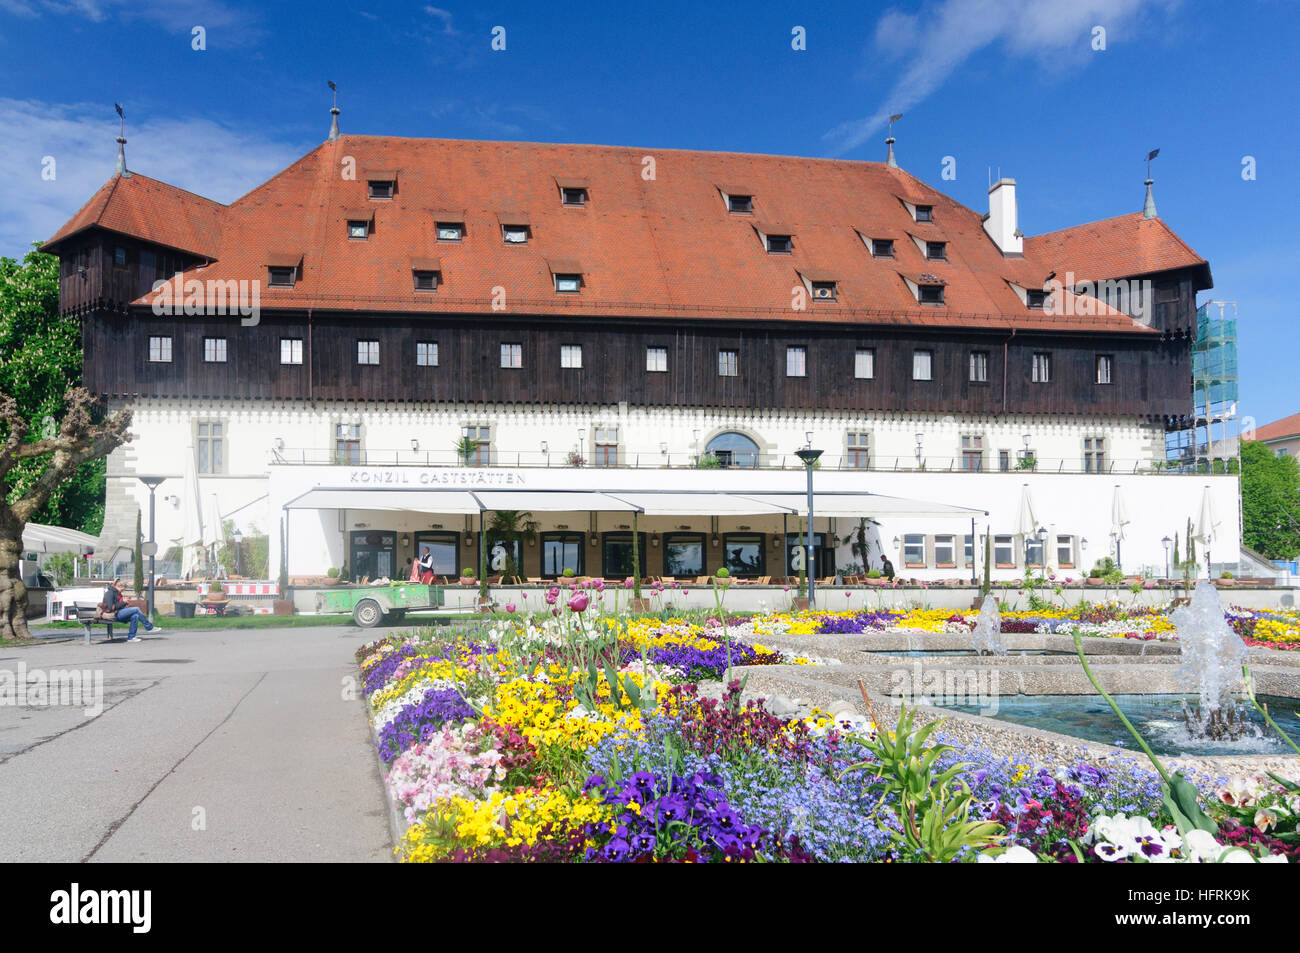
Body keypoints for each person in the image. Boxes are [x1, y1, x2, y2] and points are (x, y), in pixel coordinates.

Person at [101, 578, 162, 643]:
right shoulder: (110, 593)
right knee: (136, 609)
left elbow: (118, 605)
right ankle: (149, 627)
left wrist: (125, 603)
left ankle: (131, 637)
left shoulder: (117, 593)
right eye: (124, 588)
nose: (123, 590)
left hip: (117, 613)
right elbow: (110, 608)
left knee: (135, 616)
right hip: (113, 615)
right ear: (120, 586)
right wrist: (123, 602)